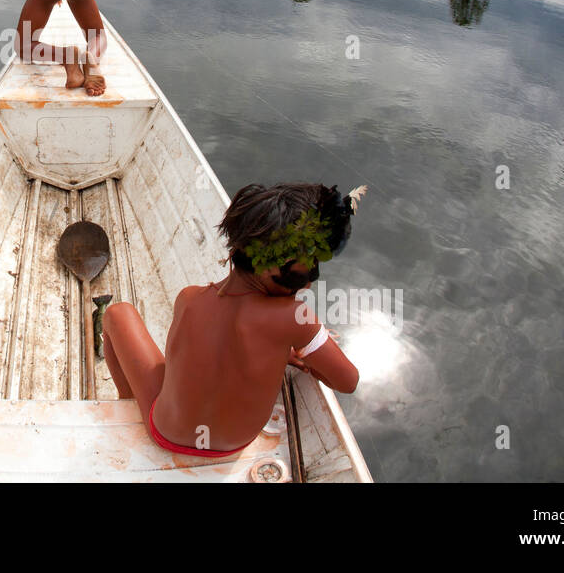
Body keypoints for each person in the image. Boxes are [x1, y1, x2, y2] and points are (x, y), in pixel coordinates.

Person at [102, 182, 367, 457]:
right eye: (303, 276)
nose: (309, 286)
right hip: (232, 445)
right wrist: (299, 352)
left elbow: (202, 354)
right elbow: (348, 381)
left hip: (166, 434)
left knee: (117, 313)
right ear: (270, 269)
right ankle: (132, 403)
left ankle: (130, 400)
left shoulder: (188, 299)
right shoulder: (295, 318)